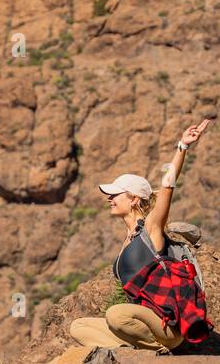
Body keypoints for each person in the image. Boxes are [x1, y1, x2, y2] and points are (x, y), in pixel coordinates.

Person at [68, 119, 210, 351]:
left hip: (166, 326)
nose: (109, 199)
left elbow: (167, 187)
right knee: (79, 326)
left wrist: (182, 147)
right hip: (140, 323)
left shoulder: (150, 230)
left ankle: (157, 351)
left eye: (116, 194)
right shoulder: (128, 239)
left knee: (116, 314)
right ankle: (129, 353)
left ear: (134, 199)